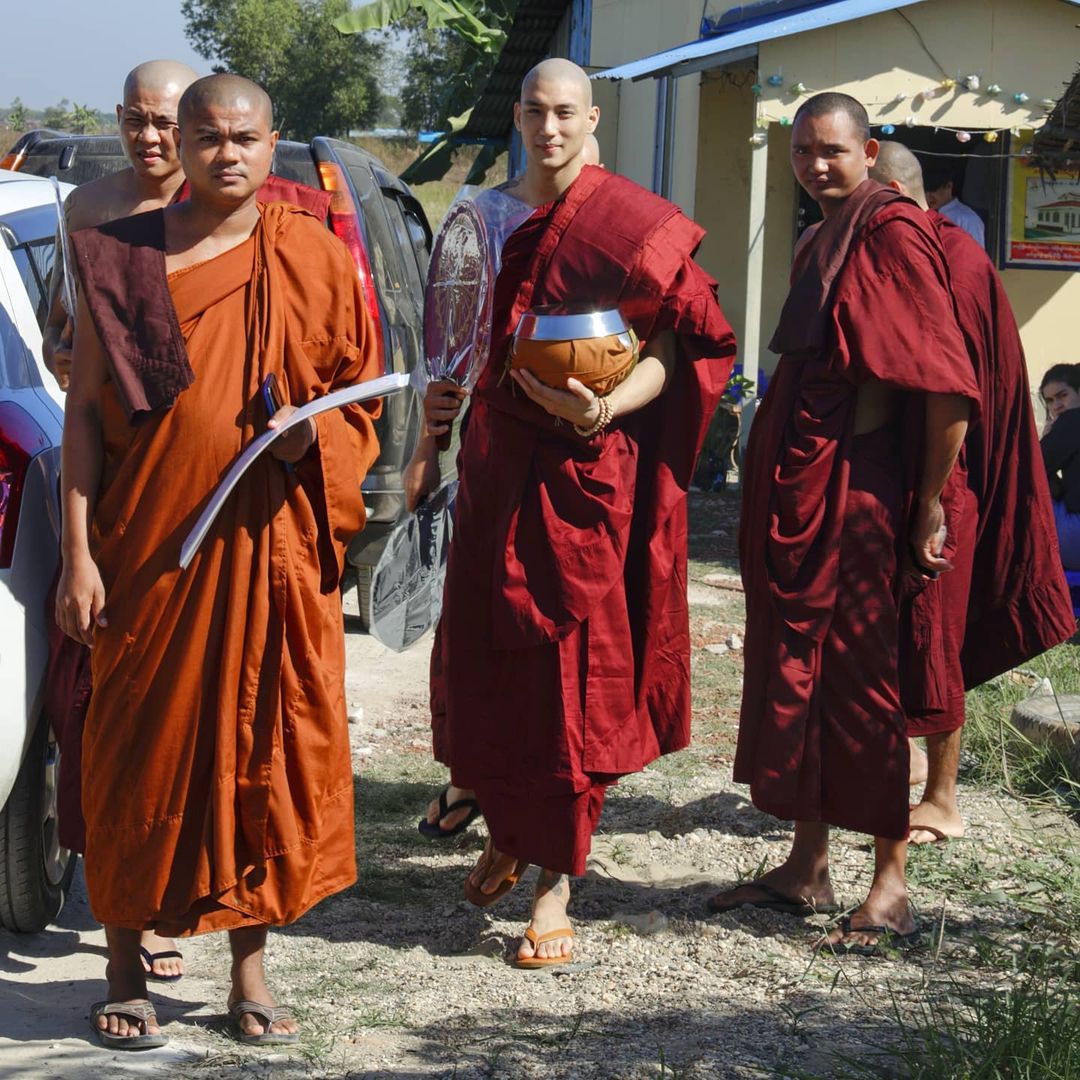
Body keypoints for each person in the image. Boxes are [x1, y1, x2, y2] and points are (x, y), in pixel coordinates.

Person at [57, 74, 382, 1048]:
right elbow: (83, 415)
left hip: (265, 556)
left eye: (244, 136)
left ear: (273, 143)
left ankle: (249, 970)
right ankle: (123, 968)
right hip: (145, 555)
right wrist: (77, 551)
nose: (225, 153)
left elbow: (357, 408)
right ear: (179, 147)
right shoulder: (119, 257)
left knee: (258, 757)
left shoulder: (312, 257)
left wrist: (305, 448)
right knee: (128, 762)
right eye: (207, 136)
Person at [410, 58, 735, 965]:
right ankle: (507, 824)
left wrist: (604, 407)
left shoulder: (632, 225)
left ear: (594, 118)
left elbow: (679, 345)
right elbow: (451, 346)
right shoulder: (483, 215)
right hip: (497, 462)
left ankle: (554, 884)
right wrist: (424, 447)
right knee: (488, 654)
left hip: (590, 470)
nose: (549, 128)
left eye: (566, 113)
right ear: (516, 116)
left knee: (573, 674)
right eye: (536, 112)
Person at [715, 93, 980, 951]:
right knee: (807, 677)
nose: (816, 166)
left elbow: (945, 385)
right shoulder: (816, 238)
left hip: (863, 495)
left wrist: (928, 505)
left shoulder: (895, 235)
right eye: (802, 152)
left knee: (869, 685)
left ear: (868, 150)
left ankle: (891, 883)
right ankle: (806, 863)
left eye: (831, 151)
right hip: (807, 490)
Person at [41, 58, 199, 986]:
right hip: (114, 481)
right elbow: (70, 329)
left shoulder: (235, 214)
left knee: (190, 713)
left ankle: (173, 903)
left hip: (199, 493)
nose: (152, 139)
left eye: (168, 121)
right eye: (136, 120)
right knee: (107, 709)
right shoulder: (90, 210)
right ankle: (122, 902)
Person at [869, 142, 1076, 844]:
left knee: (934, 637)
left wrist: (931, 496)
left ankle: (944, 796)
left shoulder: (949, 257)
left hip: (944, 473)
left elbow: (954, 388)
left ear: (897, 191)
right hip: (897, 473)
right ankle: (896, 779)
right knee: (896, 636)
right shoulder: (903, 248)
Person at [1040, 363, 1080, 568]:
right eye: (1050, 400)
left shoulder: (1073, 420)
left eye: (1062, 395)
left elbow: (1033, 468)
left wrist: (1046, 438)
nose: (1056, 406)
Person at [924, 167, 985, 248]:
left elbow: (976, 257)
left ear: (949, 186)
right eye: (925, 191)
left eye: (933, 190)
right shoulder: (921, 215)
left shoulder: (968, 220)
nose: (929, 196)